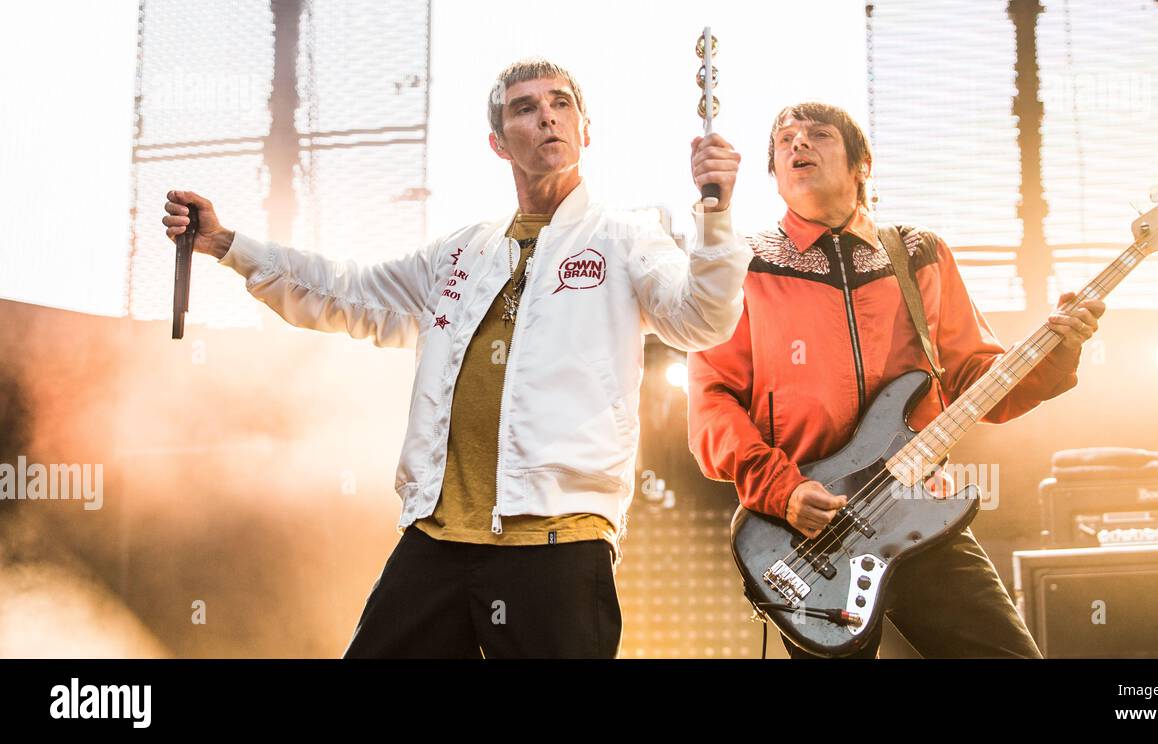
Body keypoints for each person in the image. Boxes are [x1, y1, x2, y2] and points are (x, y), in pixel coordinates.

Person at [163, 58, 752, 658]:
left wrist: (715, 213)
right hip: (439, 539)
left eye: (560, 103)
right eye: (525, 107)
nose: (546, 115)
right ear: (498, 143)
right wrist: (225, 245)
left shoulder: (626, 241)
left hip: (557, 539)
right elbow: (345, 289)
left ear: (586, 129)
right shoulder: (462, 253)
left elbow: (701, 317)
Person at [686, 101, 1105, 659]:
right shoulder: (744, 268)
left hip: (919, 514)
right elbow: (712, 404)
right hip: (811, 534)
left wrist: (1058, 351)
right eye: (784, 140)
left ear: (863, 164)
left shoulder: (918, 253)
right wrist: (784, 491)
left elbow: (977, 381)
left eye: (818, 135)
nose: (797, 145)